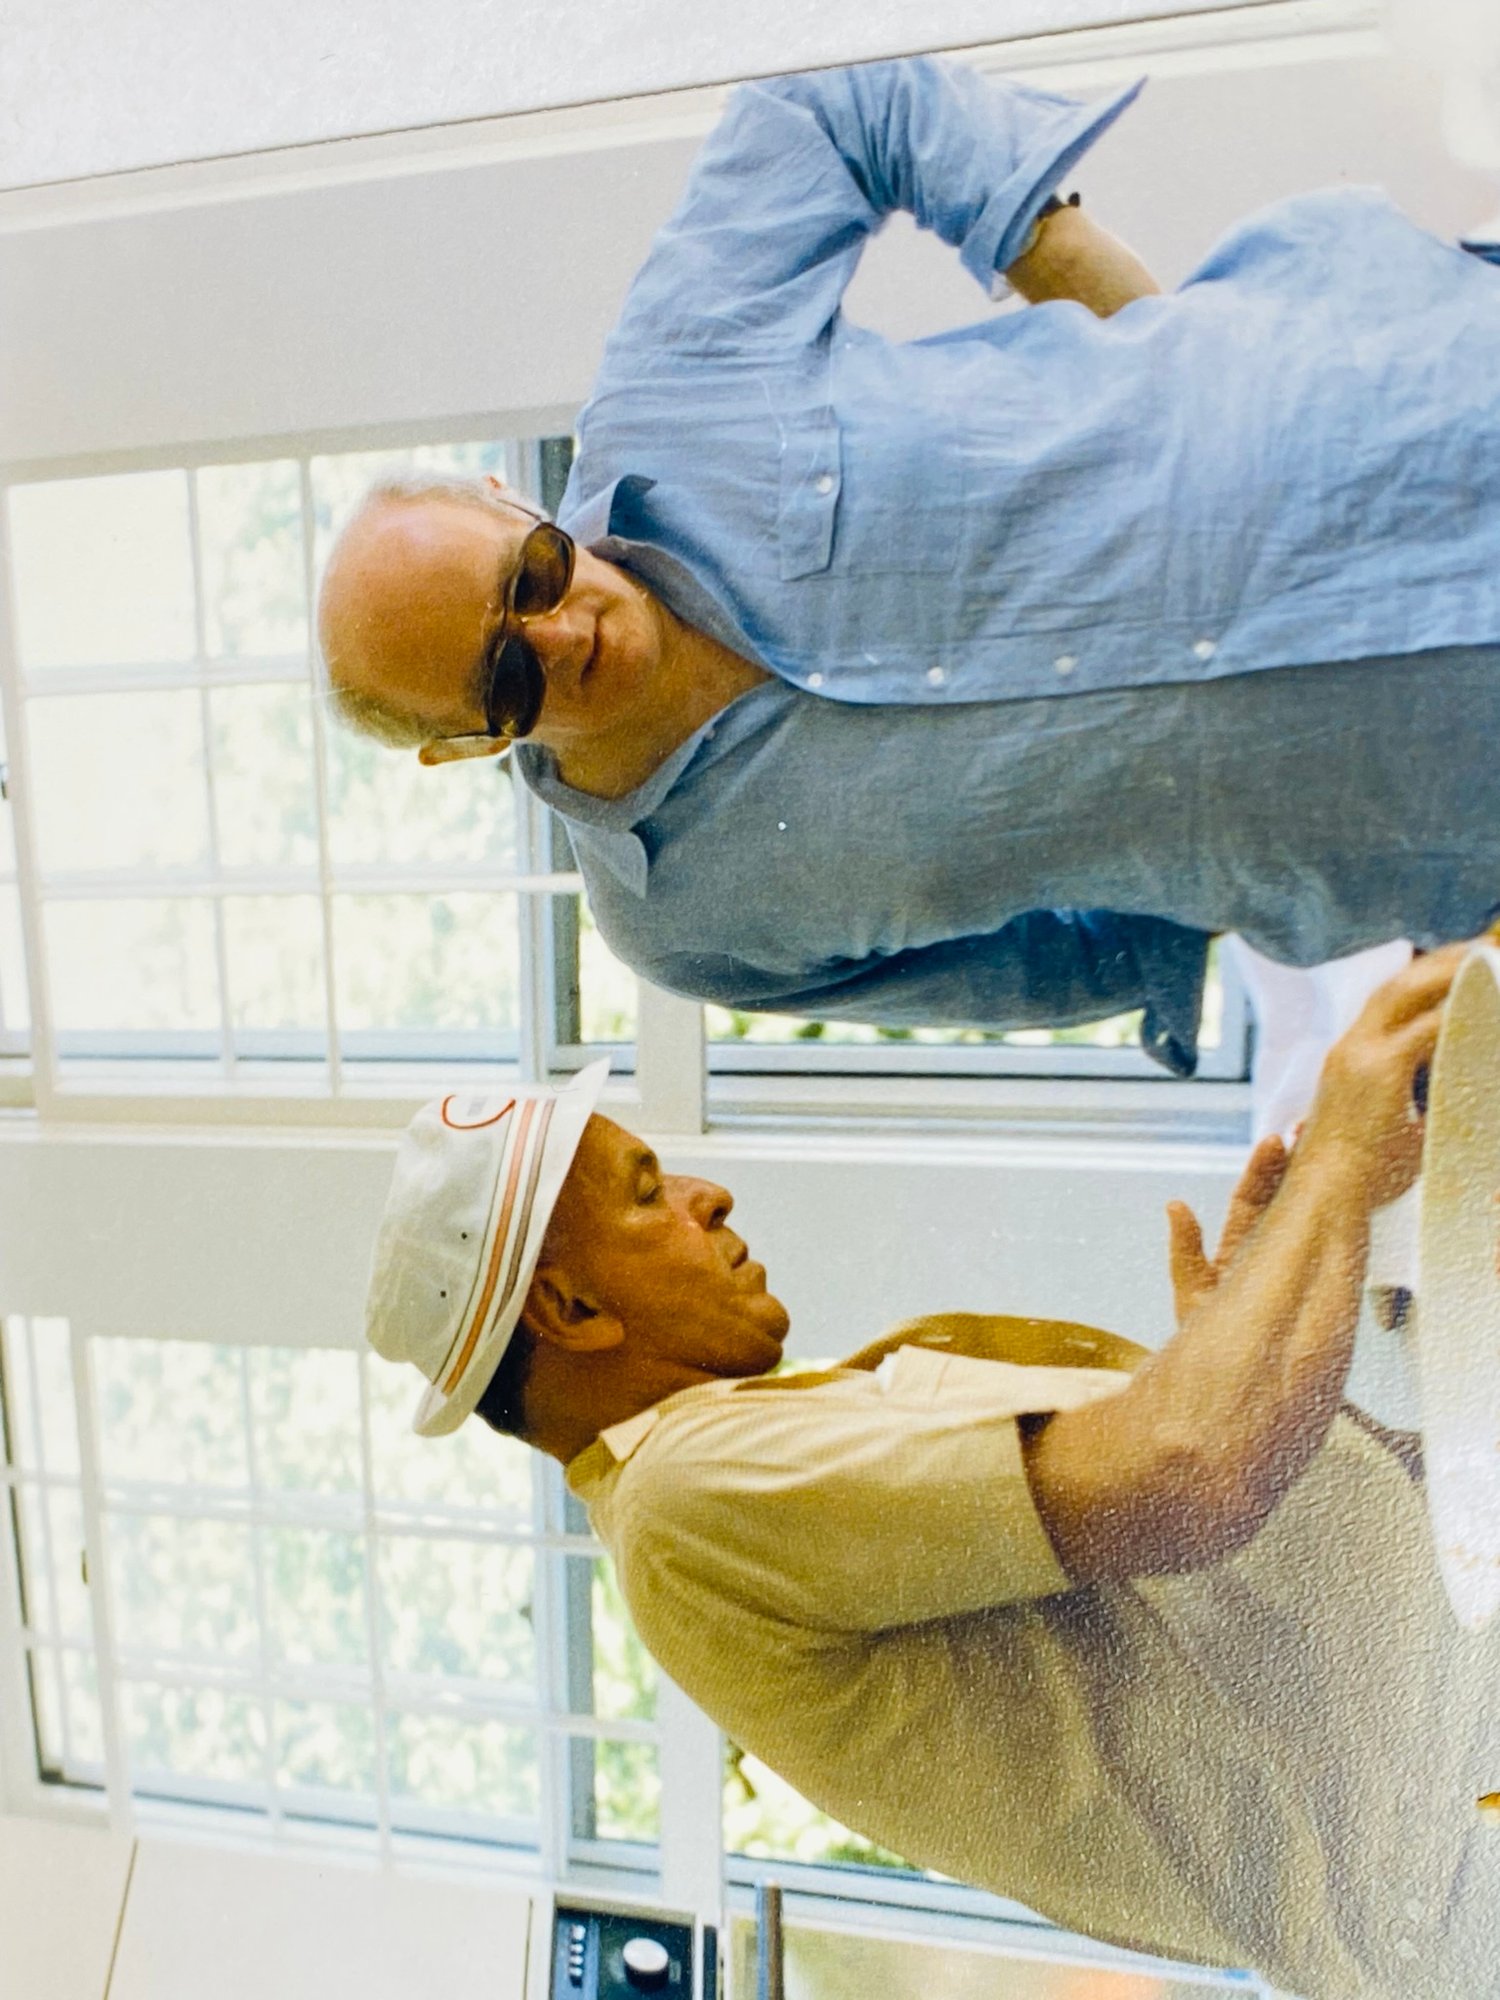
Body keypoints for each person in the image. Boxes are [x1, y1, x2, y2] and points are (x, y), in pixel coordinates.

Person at [317, 57, 1500, 1077]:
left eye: (527, 576)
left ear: (502, 496)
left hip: (1415, 398)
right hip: (1444, 809)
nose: (562, 636)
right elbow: (1066, 960)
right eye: (505, 683)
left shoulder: (677, 389)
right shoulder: (681, 926)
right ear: (461, 745)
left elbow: (833, 96)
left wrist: (1130, 316)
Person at [364, 944, 1498, 2000]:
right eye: (647, 1189)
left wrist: (1248, 1331)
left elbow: (1206, 1509)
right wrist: (1338, 1160)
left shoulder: (731, 1457)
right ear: (569, 1307)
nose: (708, 1195)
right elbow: (1189, 1470)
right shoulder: (689, 1495)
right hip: (1467, 1819)